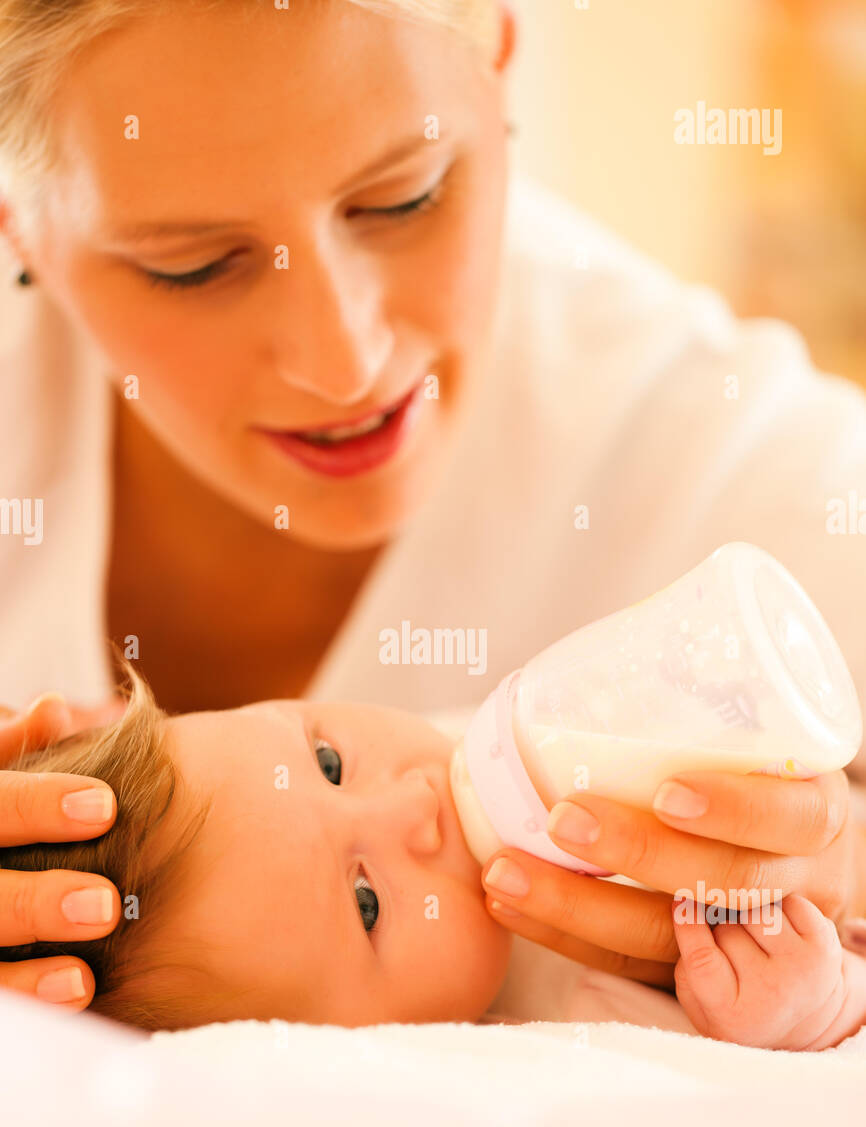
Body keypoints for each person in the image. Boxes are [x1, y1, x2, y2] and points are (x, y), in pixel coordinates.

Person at [2, 0, 866, 1010]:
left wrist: (839, 884)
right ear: (17, 218)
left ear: (499, 60)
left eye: (403, 198)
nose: (344, 360)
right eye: (191, 265)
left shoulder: (753, 460)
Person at [2, 663, 865, 1052]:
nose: (413, 804)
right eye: (367, 900)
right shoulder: (562, 1030)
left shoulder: (521, 747)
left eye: (328, 761)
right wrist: (812, 1009)